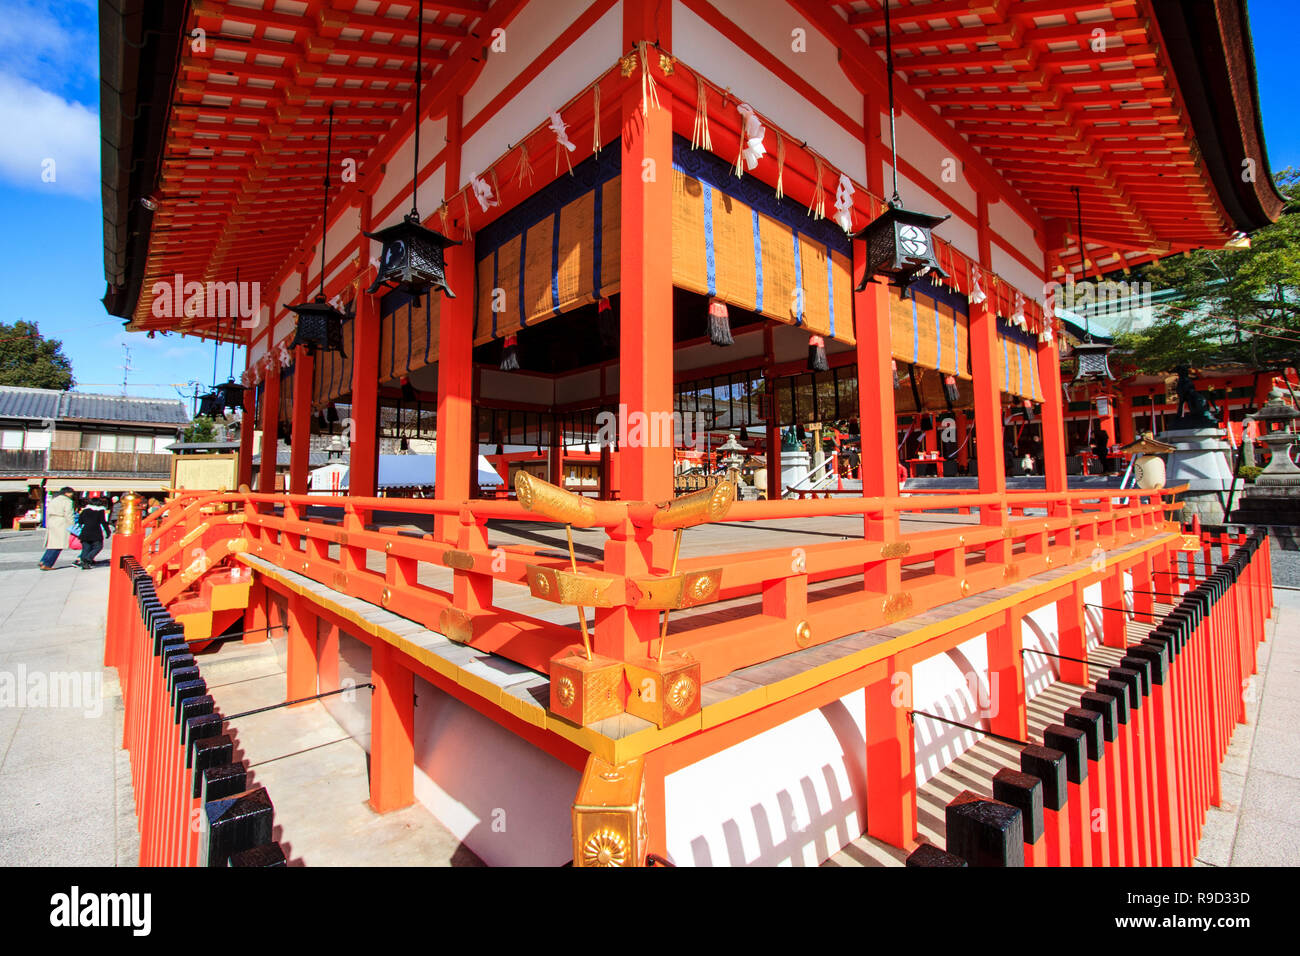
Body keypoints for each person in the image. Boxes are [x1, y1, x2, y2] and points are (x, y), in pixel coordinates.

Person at [38, 487, 76, 570]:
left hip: (52, 521)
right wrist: (72, 525)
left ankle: (43, 560)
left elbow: (47, 512)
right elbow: (69, 514)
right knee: (58, 545)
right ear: (67, 493)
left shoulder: (54, 500)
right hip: (61, 522)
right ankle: (47, 564)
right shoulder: (67, 501)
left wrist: (47, 523)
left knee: (52, 544)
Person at [77, 495, 111, 568]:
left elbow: (80, 521)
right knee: (98, 546)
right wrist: (108, 531)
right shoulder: (100, 511)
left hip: (85, 531)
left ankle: (84, 562)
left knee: (86, 548)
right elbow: (103, 522)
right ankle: (88, 559)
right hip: (96, 532)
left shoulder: (85, 510)